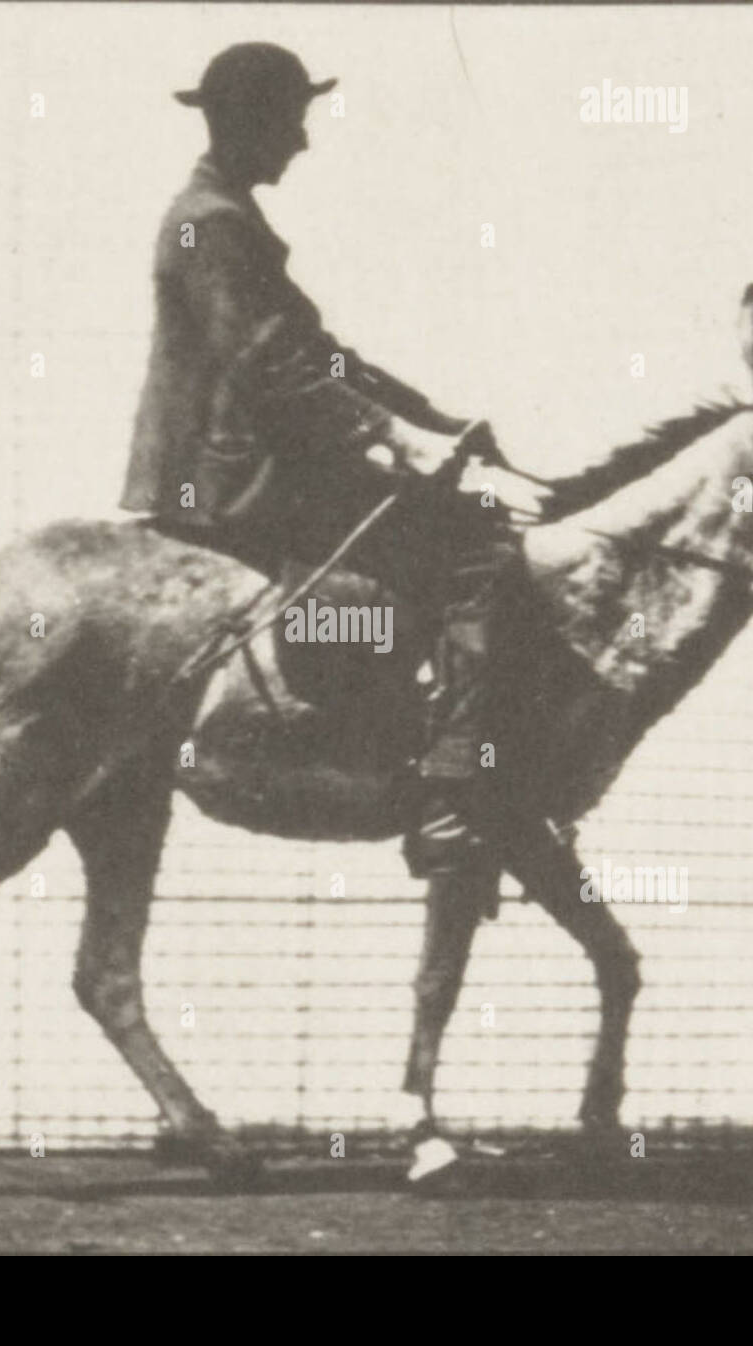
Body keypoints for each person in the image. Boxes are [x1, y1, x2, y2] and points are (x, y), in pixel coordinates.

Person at [121, 43, 659, 877]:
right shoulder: (213, 224)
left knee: (459, 513)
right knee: (476, 545)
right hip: (230, 477)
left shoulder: (226, 216)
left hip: (251, 458)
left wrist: (442, 423)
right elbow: (276, 369)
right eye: (293, 121)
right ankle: (451, 797)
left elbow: (326, 358)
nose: (302, 142)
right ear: (252, 121)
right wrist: (409, 446)